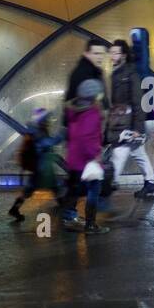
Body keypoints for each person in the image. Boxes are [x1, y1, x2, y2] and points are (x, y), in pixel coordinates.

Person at [104, 39, 154, 199]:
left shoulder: (130, 73)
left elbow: (137, 101)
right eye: (111, 53)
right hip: (118, 120)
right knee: (138, 153)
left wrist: (137, 128)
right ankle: (151, 183)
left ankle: (109, 184)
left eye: (116, 53)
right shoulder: (115, 73)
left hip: (127, 123)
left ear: (124, 55)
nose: (112, 56)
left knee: (119, 152)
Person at [58, 78, 110, 234]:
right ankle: (90, 224)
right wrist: (95, 156)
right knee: (93, 191)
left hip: (74, 159)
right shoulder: (92, 112)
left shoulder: (72, 109)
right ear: (94, 95)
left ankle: (68, 218)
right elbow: (86, 137)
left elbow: (72, 134)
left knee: (74, 190)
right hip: (88, 160)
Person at [8, 108, 63, 221]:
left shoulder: (36, 131)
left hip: (41, 168)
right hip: (43, 169)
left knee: (31, 190)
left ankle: (14, 209)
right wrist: (61, 135)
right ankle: (64, 209)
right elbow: (48, 143)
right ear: (43, 120)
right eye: (47, 119)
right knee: (55, 187)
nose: (50, 121)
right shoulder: (38, 133)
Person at [66, 38, 109, 105]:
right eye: (96, 53)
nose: (100, 57)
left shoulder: (95, 70)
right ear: (86, 54)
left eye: (102, 54)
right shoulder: (82, 73)